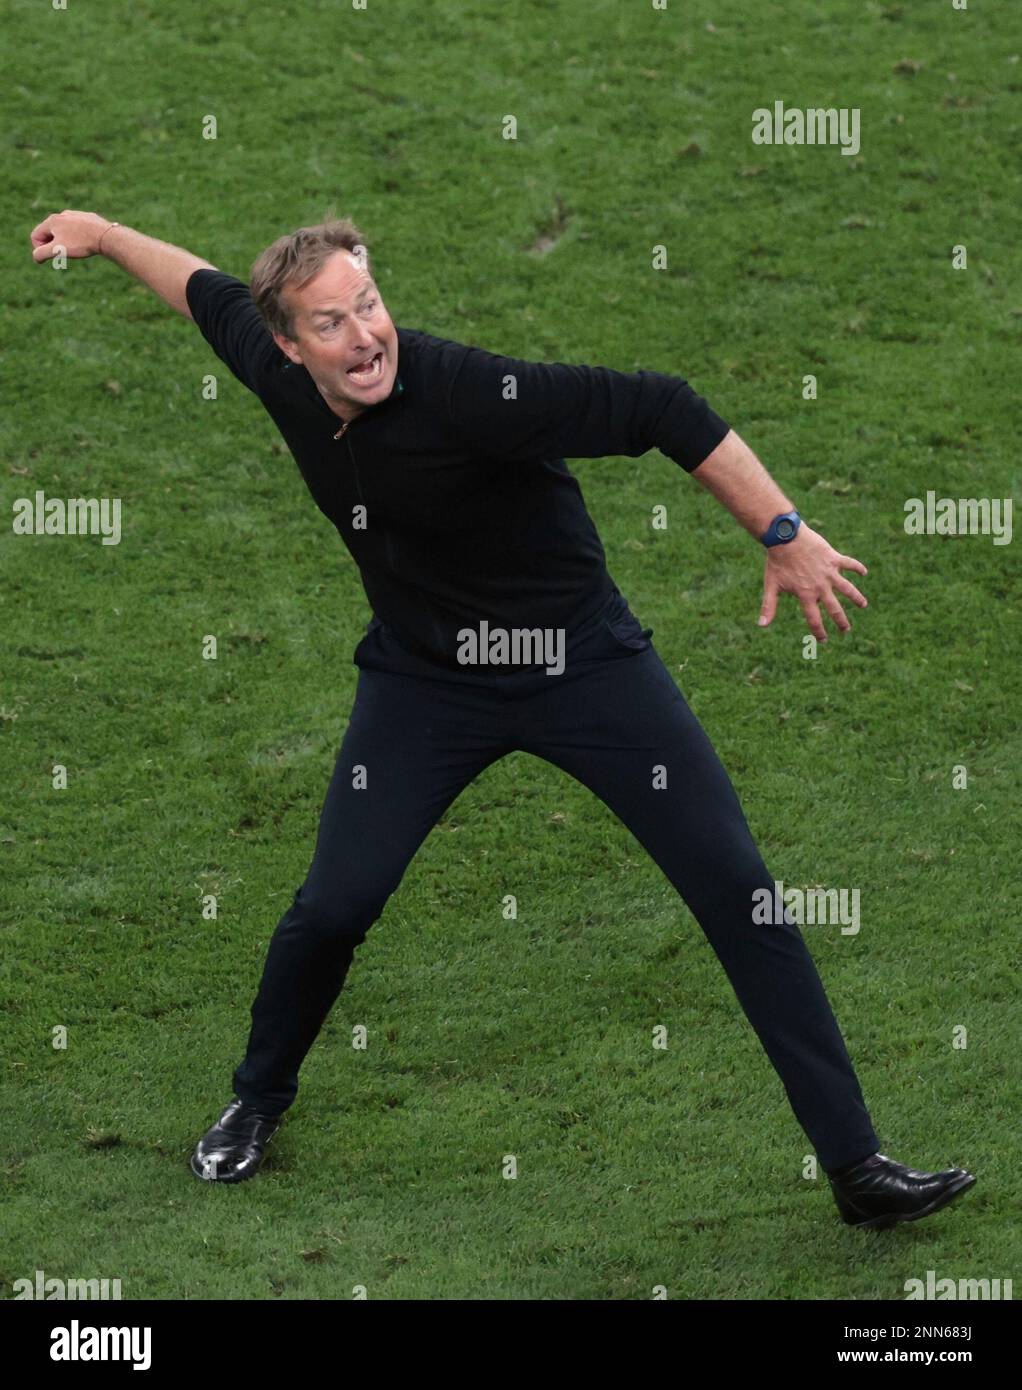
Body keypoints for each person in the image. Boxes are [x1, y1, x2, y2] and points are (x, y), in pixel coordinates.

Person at [30, 209, 976, 1230]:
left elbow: (661, 405)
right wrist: (102, 233)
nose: (365, 335)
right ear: (288, 345)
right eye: (332, 324)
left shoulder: (475, 394)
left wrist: (782, 531)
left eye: (369, 305)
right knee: (335, 904)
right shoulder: (273, 371)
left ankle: (856, 1168)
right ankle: (256, 1098)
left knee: (736, 891)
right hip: (425, 683)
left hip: (582, 667)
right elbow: (198, 286)